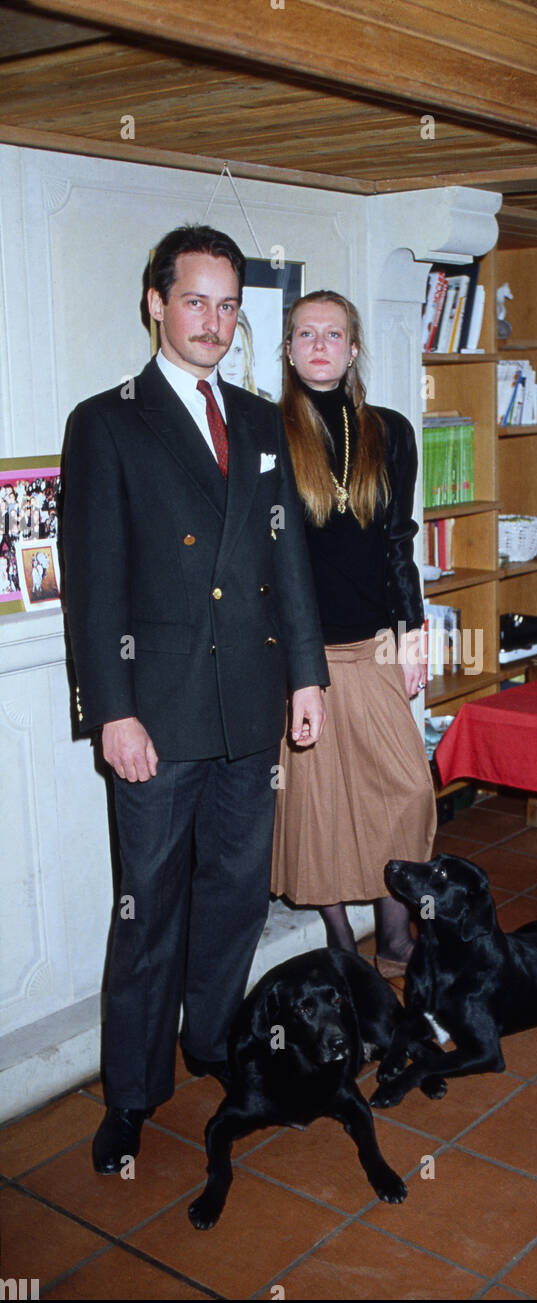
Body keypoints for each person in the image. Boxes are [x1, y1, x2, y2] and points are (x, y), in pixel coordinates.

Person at [61, 224, 329, 1175]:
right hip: (156, 713)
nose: (212, 322)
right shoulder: (108, 421)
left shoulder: (262, 420)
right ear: (155, 304)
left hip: (249, 706)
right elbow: (94, 587)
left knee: (233, 897)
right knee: (148, 910)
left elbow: (285, 559)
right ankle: (132, 1093)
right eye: (195, 302)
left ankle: (213, 1040)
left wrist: (307, 676)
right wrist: (113, 712)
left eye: (227, 305)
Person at [270, 290, 436, 976]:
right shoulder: (264, 430)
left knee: (407, 790)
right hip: (299, 653)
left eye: (332, 334)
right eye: (304, 333)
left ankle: (394, 939)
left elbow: (398, 541)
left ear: (353, 347)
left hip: (371, 645)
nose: (318, 345)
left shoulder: (390, 431)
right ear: (287, 349)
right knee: (318, 808)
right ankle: (344, 947)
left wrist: (412, 633)